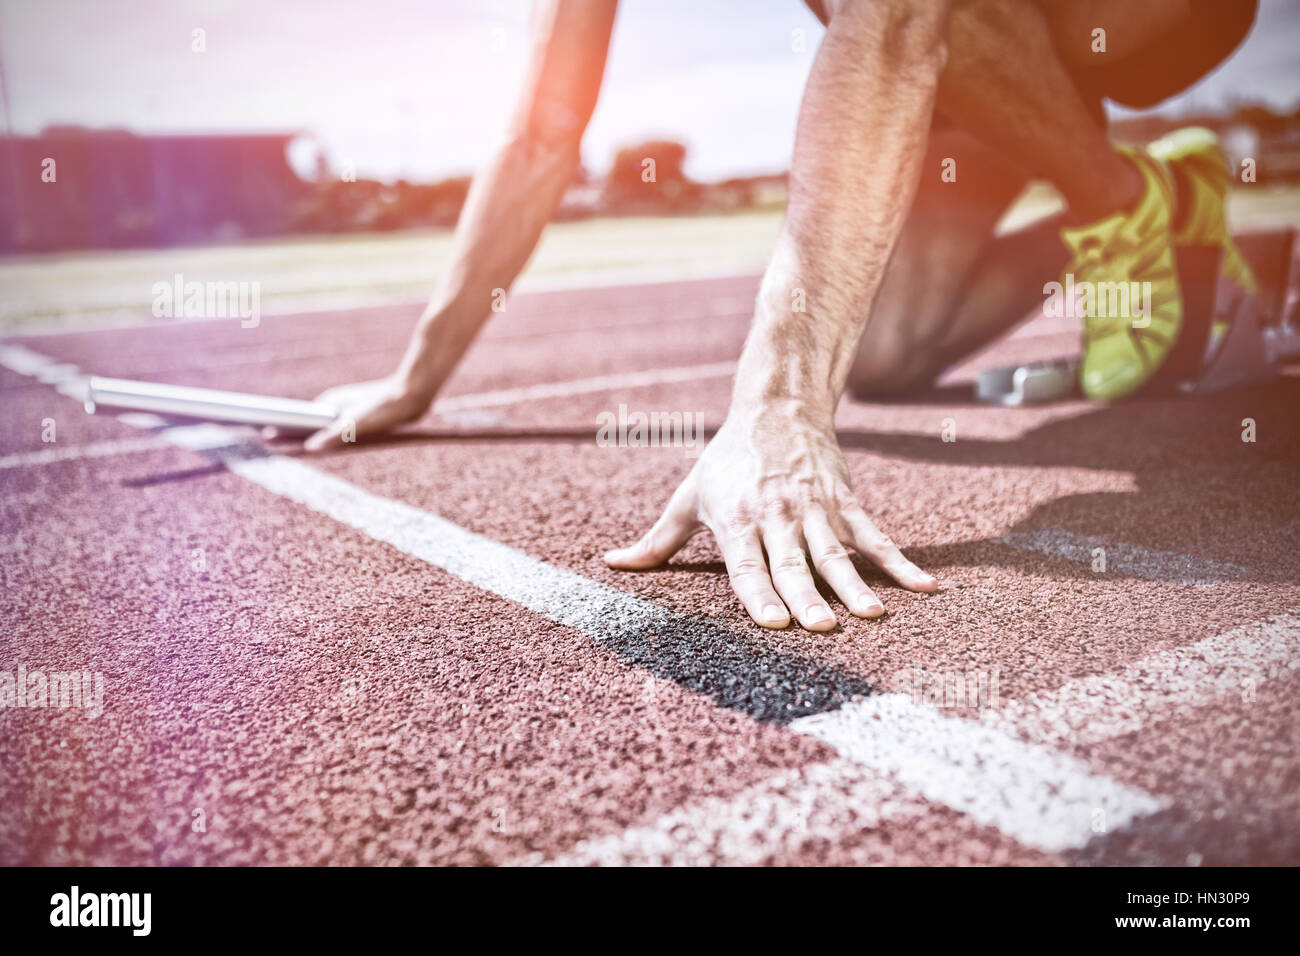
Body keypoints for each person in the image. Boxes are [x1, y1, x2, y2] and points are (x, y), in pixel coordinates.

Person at [303, 0, 1258, 631]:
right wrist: (415, 376)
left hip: (1138, 16)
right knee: (887, 346)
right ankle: (1169, 193)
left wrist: (780, 405)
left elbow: (898, 20)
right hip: (991, 42)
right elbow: (544, 130)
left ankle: (1113, 202)